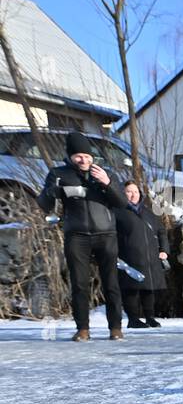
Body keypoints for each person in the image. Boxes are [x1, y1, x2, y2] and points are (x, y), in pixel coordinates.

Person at [36, 131, 130, 341]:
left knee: (112, 283)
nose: (84, 160)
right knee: (79, 284)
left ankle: (115, 328)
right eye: (78, 156)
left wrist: (107, 183)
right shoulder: (59, 173)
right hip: (76, 235)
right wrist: (52, 191)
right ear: (70, 156)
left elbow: (122, 204)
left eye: (87, 156)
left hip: (106, 234)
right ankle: (83, 329)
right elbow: (44, 204)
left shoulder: (105, 173)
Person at [114, 181, 169, 329]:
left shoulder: (148, 213)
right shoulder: (117, 212)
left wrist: (164, 250)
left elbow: (161, 232)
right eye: (129, 192)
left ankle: (150, 317)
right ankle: (133, 319)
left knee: (148, 288)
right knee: (130, 288)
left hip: (150, 257)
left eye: (136, 192)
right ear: (123, 194)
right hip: (127, 256)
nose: (133, 195)